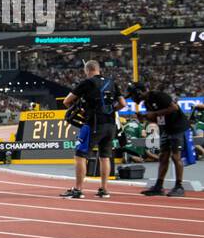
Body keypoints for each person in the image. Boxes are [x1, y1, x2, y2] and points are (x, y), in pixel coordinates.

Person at [61, 61, 125, 199]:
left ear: (87, 70)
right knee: (105, 157)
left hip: (94, 124)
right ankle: (104, 189)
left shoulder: (87, 83)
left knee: (80, 155)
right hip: (111, 124)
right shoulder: (111, 82)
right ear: (98, 69)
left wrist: (82, 110)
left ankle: (78, 190)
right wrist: (110, 110)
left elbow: (66, 101)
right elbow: (122, 104)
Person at [131, 83, 188, 197]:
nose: (133, 98)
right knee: (163, 157)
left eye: (133, 94)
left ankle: (179, 186)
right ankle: (159, 186)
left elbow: (174, 107)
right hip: (165, 129)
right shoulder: (147, 103)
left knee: (176, 156)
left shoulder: (158, 95)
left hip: (177, 127)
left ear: (139, 92)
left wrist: (154, 114)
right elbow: (157, 119)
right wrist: (146, 118)